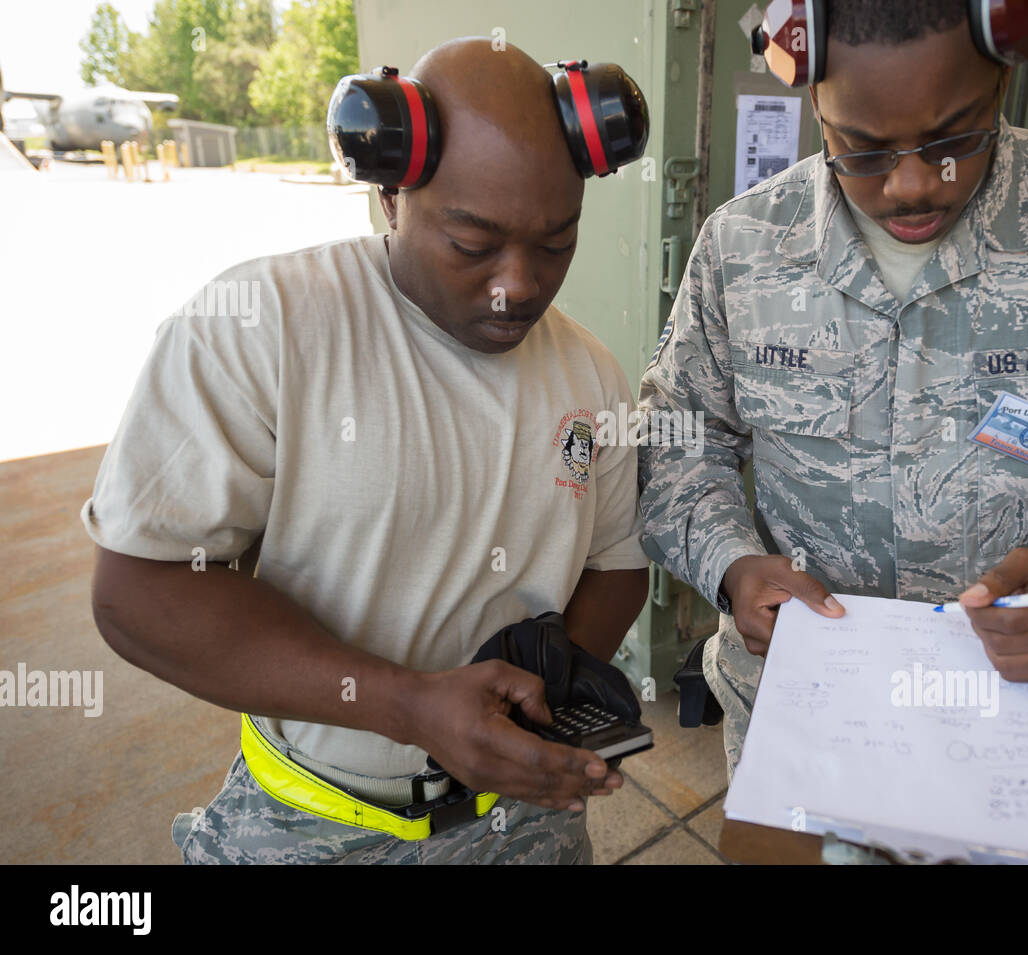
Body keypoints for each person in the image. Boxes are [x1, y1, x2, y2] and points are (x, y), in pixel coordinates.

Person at [636, 0, 1028, 851]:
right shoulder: (743, 246)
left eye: (956, 137)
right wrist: (730, 564)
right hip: (808, 731)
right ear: (814, 99)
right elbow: (678, 436)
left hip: (1025, 739)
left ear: (1005, 68)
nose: (911, 184)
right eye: (860, 147)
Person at [83, 38, 649, 864]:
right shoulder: (261, 327)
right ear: (393, 194)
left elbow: (617, 563)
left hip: (527, 825)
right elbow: (139, 591)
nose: (518, 284)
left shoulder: (592, 374)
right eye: (473, 243)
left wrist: (540, 701)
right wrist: (412, 707)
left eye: (556, 242)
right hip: (312, 828)